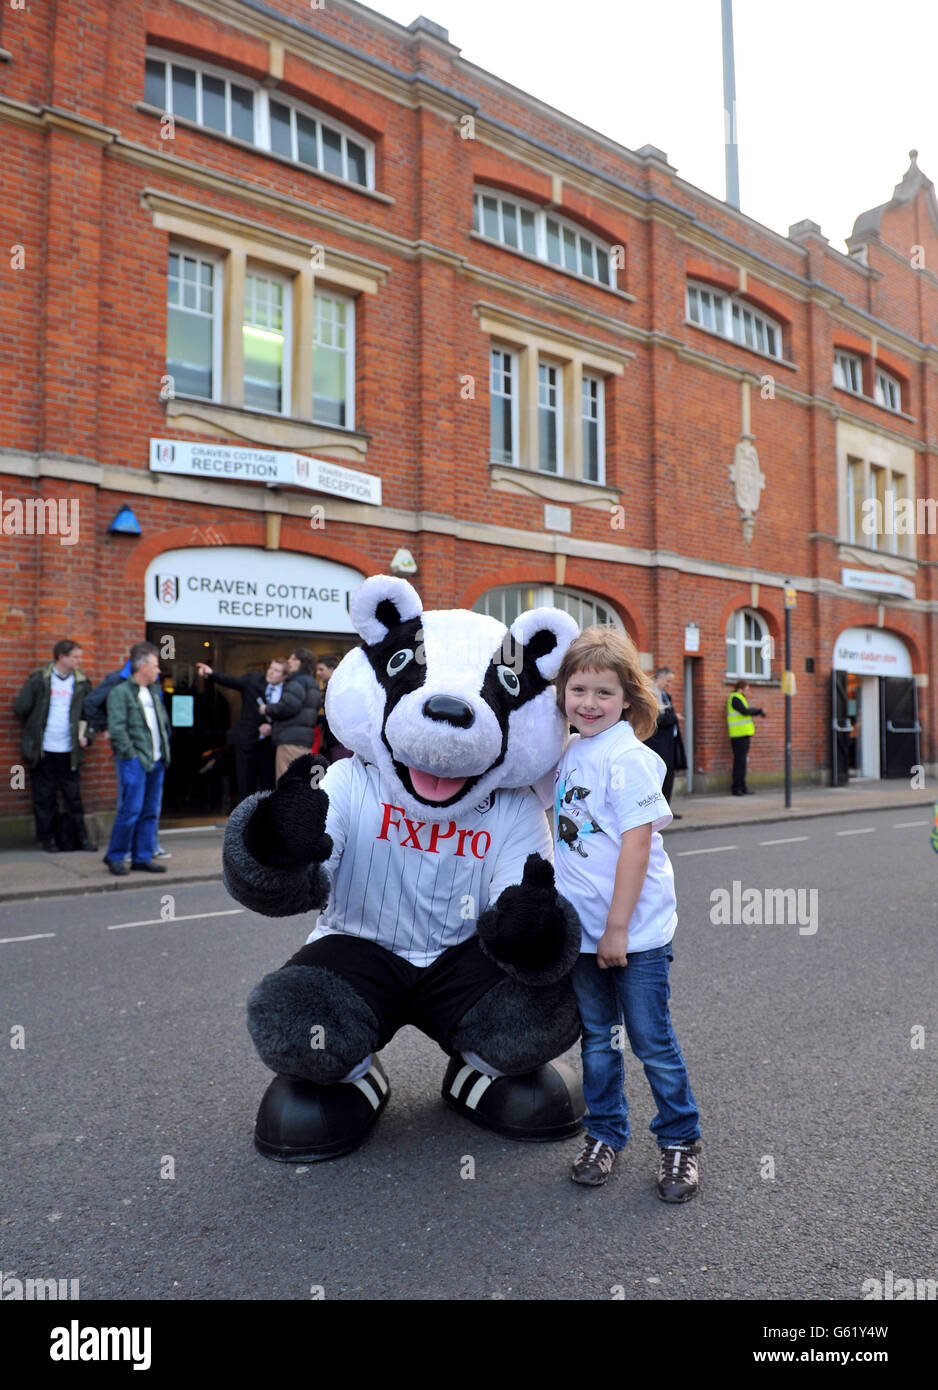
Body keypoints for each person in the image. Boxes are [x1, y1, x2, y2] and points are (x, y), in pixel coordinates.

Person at [552, 626, 701, 1200]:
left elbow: (636, 846)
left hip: (632, 933)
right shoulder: (570, 751)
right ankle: (605, 1133)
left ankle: (680, 1142)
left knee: (650, 1041)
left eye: (604, 693)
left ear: (628, 699)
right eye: (579, 690)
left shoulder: (630, 758)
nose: (589, 703)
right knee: (597, 1040)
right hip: (583, 934)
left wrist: (617, 928)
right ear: (564, 691)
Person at [13, 639, 97, 851]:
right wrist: (34, 729)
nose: (80, 660)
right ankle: (48, 839)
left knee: (73, 797)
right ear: (62, 657)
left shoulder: (81, 682)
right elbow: (21, 707)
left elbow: (89, 714)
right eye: (75, 656)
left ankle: (81, 839)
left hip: (70, 750)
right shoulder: (40, 679)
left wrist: (87, 735)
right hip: (43, 749)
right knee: (44, 797)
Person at [86, 657, 172, 858]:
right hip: (134, 758)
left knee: (150, 810)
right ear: (143, 666)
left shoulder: (152, 688)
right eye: (156, 666)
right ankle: (119, 853)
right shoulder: (118, 684)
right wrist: (107, 730)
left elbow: (160, 719)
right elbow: (93, 704)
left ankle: (145, 852)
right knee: (130, 808)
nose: (159, 671)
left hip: (156, 757)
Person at [196, 658, 285, 803]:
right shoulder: (253, 680)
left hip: (270, 745)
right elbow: (231, 681)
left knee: (268, 787)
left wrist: (273, 727)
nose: (271, 672)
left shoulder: (288, 690)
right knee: (245, 786)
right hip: (247, 741)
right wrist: (211, 673)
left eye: (276, 671)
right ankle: (245, 822)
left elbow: (292, 714)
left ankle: (266, 821)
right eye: (270, 668)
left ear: (284, 676)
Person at [265, 647, 322, 780]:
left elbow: (289, 705)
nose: (289, 660)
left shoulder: (296, 681)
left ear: (301, 662)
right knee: (300, 781)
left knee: (286, 782)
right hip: (304, 741)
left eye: (293, 658)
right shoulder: (312, 682)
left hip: (289, 739)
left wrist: (267, 709)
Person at [643, 666, 685, 818]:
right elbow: (656, 719)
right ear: (659, 678)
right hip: (657, 744)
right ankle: (656, 811)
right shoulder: (652, 695)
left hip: (670, 743)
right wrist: (675, 718)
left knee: (669, 776)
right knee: (659, 778)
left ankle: (666, 809)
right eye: (668, 681)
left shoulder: (666, 696)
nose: (669, 684)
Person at [727, 679, 767, 795]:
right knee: (739, 762)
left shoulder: (740, 698)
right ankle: (737, 788)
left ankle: (742, 787)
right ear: (740, 689)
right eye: (746, 690)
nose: (747, 692)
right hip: (738, 735)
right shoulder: (735, 698)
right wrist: (758, 711)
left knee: (742, 762)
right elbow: (744, 711)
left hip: (743, 734)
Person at [314, 653, 352, 763]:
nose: (318, 673)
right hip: (334, 740)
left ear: (331, 669)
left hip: (340, 741)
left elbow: (341, 715)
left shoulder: (340, 687)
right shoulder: (332, 686)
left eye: (321, 669)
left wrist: (320, 718)